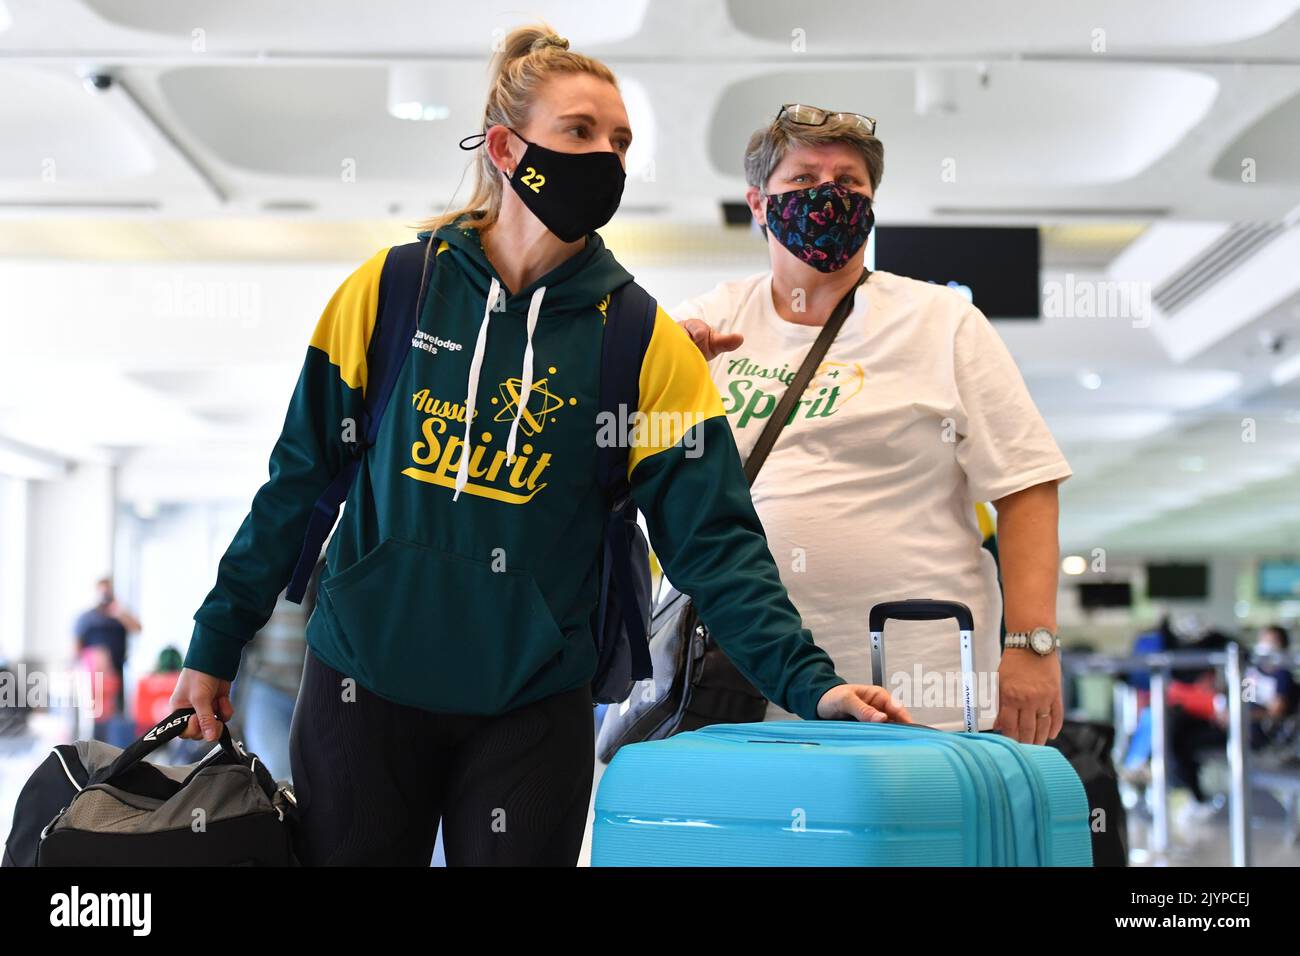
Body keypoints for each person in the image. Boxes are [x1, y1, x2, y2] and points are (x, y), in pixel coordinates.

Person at [170, 26, 909, 867]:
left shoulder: (644, 344)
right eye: (581, 132)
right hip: (361, 686)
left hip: (534, 704)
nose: (607, 156)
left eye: (621, 141)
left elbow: (717, 548)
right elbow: (298, 487)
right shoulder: (391, 290)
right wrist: (214, 640)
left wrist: (810, 683)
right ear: (505, 147)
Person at [673, 103, 1072, 741]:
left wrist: (1033, 643)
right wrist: (655, 385)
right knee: (756, 842)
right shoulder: (703, 324)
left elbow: (1026, 484)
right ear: (758, 203)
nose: (829, 196)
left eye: (849, 182)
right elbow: (633, 480)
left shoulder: (943, 322)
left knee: (915, 839)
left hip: (923, 674)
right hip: (738, 676)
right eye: (803, 181)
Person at [73, 576, 141, 726]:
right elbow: (76, 644)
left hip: (117, 669)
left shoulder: (120, 614)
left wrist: (120, 613)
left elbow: (137, 628)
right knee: (95, 712)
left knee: (117, 711)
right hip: (93, 673)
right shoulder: (87, 617)